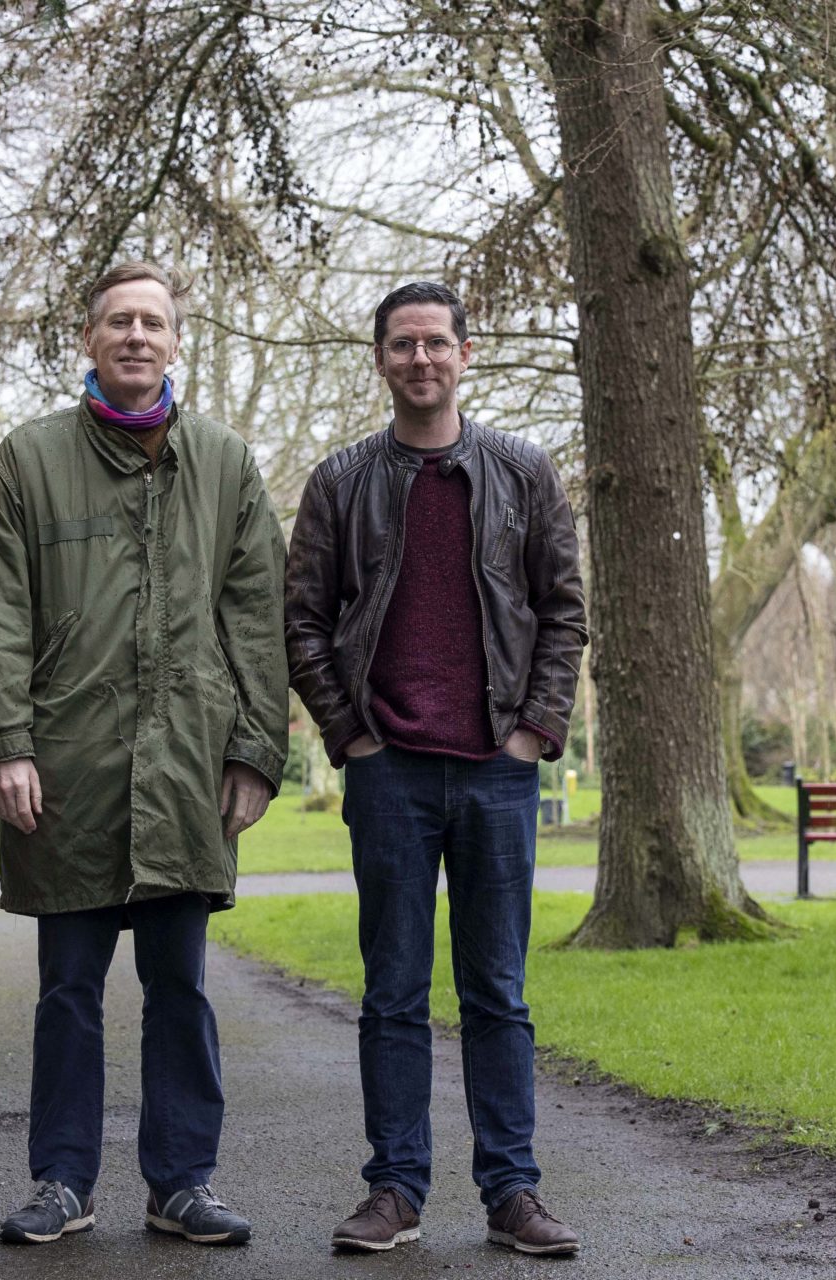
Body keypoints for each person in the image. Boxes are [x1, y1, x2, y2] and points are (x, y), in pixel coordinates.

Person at [0, 260, 288, 1249]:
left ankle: (182, 1182)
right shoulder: (27, 460)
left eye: (153, 321)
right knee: (67, 990)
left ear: (176, 340)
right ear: (88, 340)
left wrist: (256, 750)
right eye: (117, 321)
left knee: (181, 987)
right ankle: (61, 1179)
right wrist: (3, 741)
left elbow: (257, 613)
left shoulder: (225, 461)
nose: (135, 335)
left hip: (189, 770)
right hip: (67, 771)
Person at [283, 281, 587, 1255]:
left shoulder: (524, 471)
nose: (420, 359)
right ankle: (395, 1188)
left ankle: (513, 1191)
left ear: (466, 351)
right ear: (380, 359)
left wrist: (534, 731)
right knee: (395, 990)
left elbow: (563, 611)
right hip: (391, 773)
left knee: (498, 989)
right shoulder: (340, 482)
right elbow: (303, 622)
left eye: (435, 343)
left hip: (498, 770)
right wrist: (352, 736)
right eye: (402, 345)